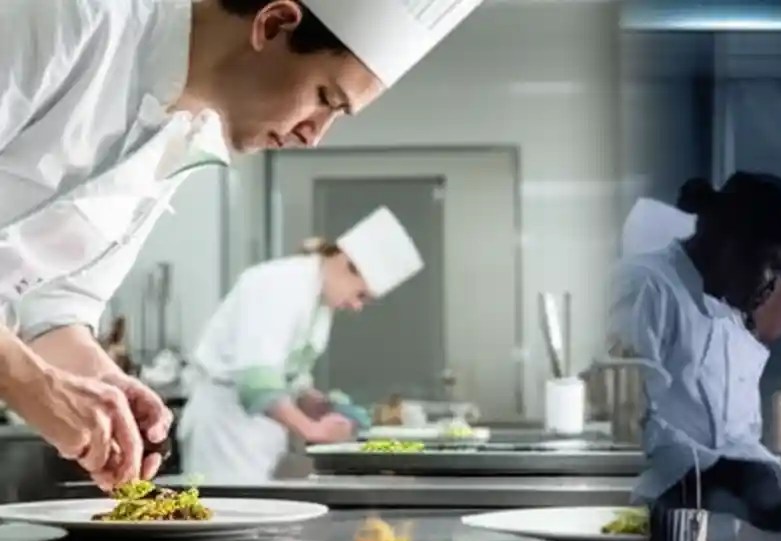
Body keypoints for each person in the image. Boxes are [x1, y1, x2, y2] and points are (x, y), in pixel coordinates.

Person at [0, 0, 484, 491]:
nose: (314, 136)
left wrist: (104, 384)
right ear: (272, 24)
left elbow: (54, 310)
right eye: (324, 97)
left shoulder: (183, 134)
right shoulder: (72, 18)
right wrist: (29, 384)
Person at [610, 174, 781, 541]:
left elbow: (734, 436)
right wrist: (719, 472)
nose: (772, 286)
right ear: (734, 245)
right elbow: (625, 421)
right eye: (772, 267)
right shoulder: (647, 285)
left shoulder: (729, 317)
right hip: (649, 530)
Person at [178, 206, 423, 485]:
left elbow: (289, 378)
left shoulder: (318, 301)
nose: (356, 307)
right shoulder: (280, 284)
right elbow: (256, 382)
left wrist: (320, 404)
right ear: (346, 263)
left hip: (259, 435)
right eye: (361, 295)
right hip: (225, 432)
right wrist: (311, 430)